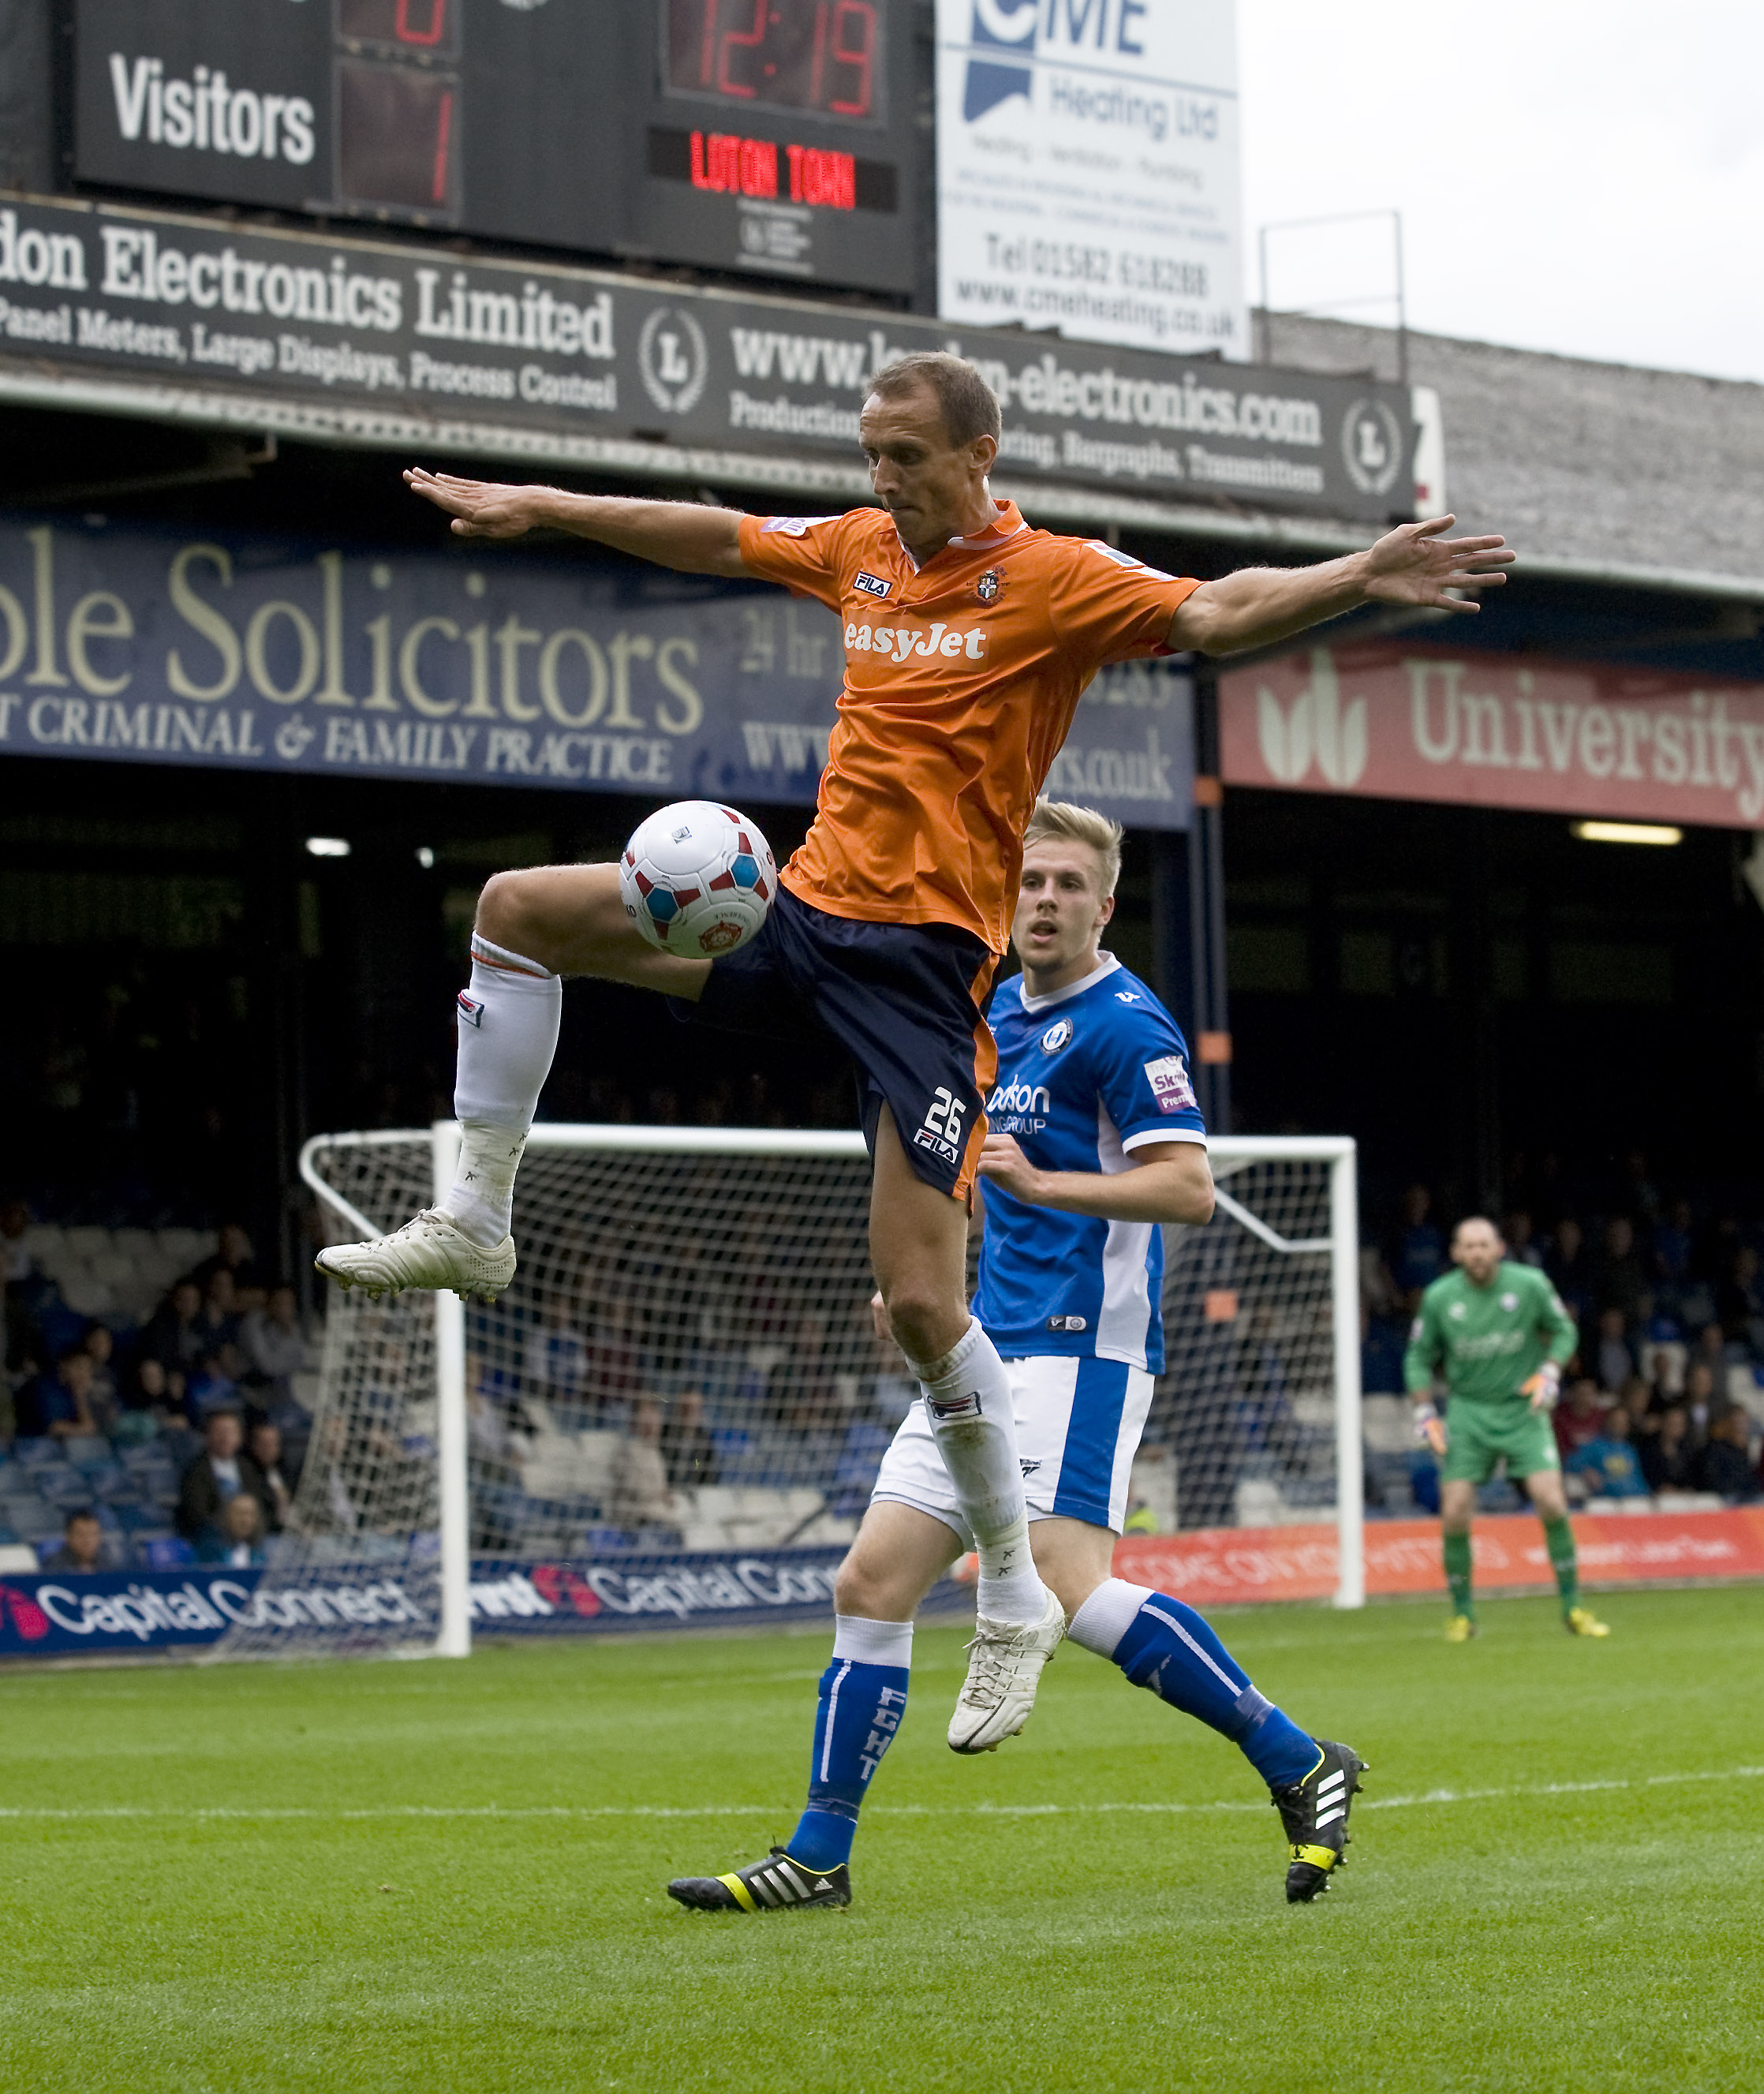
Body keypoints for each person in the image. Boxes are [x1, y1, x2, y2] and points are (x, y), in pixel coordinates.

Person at [314, 349, 1512, 1747]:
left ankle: (1013, 1589)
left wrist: (1356, 575)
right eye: (871, 454)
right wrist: (545, 504)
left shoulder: (1057, 581)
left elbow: (1214, 611)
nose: (881, 479)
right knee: (516, 910)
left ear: (978, 453)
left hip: (925, 982)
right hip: (801, 919)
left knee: (924, 1312)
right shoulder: (862, 551)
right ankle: (475, 1218)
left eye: (906, 457)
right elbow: (711, 535)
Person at [667, 803, 1364, 1917]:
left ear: (1103, 905)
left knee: (1072, 1590)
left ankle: (1299, 1760)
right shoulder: (990, 1010)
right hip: (982, 1346)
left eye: (1067, 885)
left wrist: (1045, 1185)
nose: (1043, 900)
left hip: (1087, 1354)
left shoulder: (1128, 1025)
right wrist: (912, 1281)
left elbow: (1189, 1187)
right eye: (1029, 880)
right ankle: (819, 1854)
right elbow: (955, 1168)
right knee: (872, 1582)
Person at [1406, 1216, 1609, 1640]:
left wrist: (1551, 1371)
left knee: (1552, 1500)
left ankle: (1574, 1608)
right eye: (1468, 1246)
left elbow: (1564, 1330)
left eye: (1484, 1244)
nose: (1477, 1253)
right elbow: (1418, 1357)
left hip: (1523, 1410)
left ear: (1499, 1247)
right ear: (1456, 1253)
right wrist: (1425, 1412)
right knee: (1455, 1509)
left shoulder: (1530, 1284)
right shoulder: (1441, 1297)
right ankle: (1463, 1615)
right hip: (1468, 1413)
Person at [175, 1408, 273, 1542]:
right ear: (207, 1435)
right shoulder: (195, 1471)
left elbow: (261, 1505)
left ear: (240, 1436)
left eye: (231, 1432)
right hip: (213, 1541)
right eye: (219, 1432)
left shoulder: (249, 1468)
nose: (225, 1438)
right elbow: (197, 1515)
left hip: (252, 1538)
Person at [607, 1397, 682, 1539]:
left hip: (656, 1514)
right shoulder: (628, 1451)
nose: (653, 1422)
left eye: (655, 1416)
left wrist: (666, 1495)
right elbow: (637, 1490)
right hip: (634, 1519)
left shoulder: (655, 1452)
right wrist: (662, 1495)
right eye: (647, 1417)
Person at [1565, 1408, 1649, 1501]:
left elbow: (1638, 1479)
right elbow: (1570, 1462)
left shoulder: (1629, 1450)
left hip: (1637, 1500)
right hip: (1608, 1502)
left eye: (1622, 1423)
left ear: (1627, 1426)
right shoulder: (1594, 1446)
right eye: (1615, 1421)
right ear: (1606, 1422)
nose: (1618, 1426)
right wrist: (1586, 1471)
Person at [1696, 1408, 1762, 1501]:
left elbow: (1752, 1479)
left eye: (1744, 1423)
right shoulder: (1715, 1449)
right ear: (1728, 1424)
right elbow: (1711, 1480)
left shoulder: (1746, 1450)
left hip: (1748, 1497)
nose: (1740, 1428)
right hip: (1725, 1498)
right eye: (1737, 1423)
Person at [244, 1419, 295, 1533]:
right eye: (263, 1444)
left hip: (293, 1531)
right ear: (253, 1445)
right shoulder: (248, 1474)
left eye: (273, 1443)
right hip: (269, 1533)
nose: (268, 1449)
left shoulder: (284, 1471)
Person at [196, 1490, 267, 1566]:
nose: (245, 1520)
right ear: (226, 1516)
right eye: (240, 1513)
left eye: (251, 1514)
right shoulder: (210, 1551)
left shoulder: (261, 1555)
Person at [43, 1506, 109, 1573]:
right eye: (81, 1535)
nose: (87, 1541)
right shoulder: (54, 1566)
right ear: (68, 1536)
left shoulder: (107, 1565)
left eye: (93, 1534)